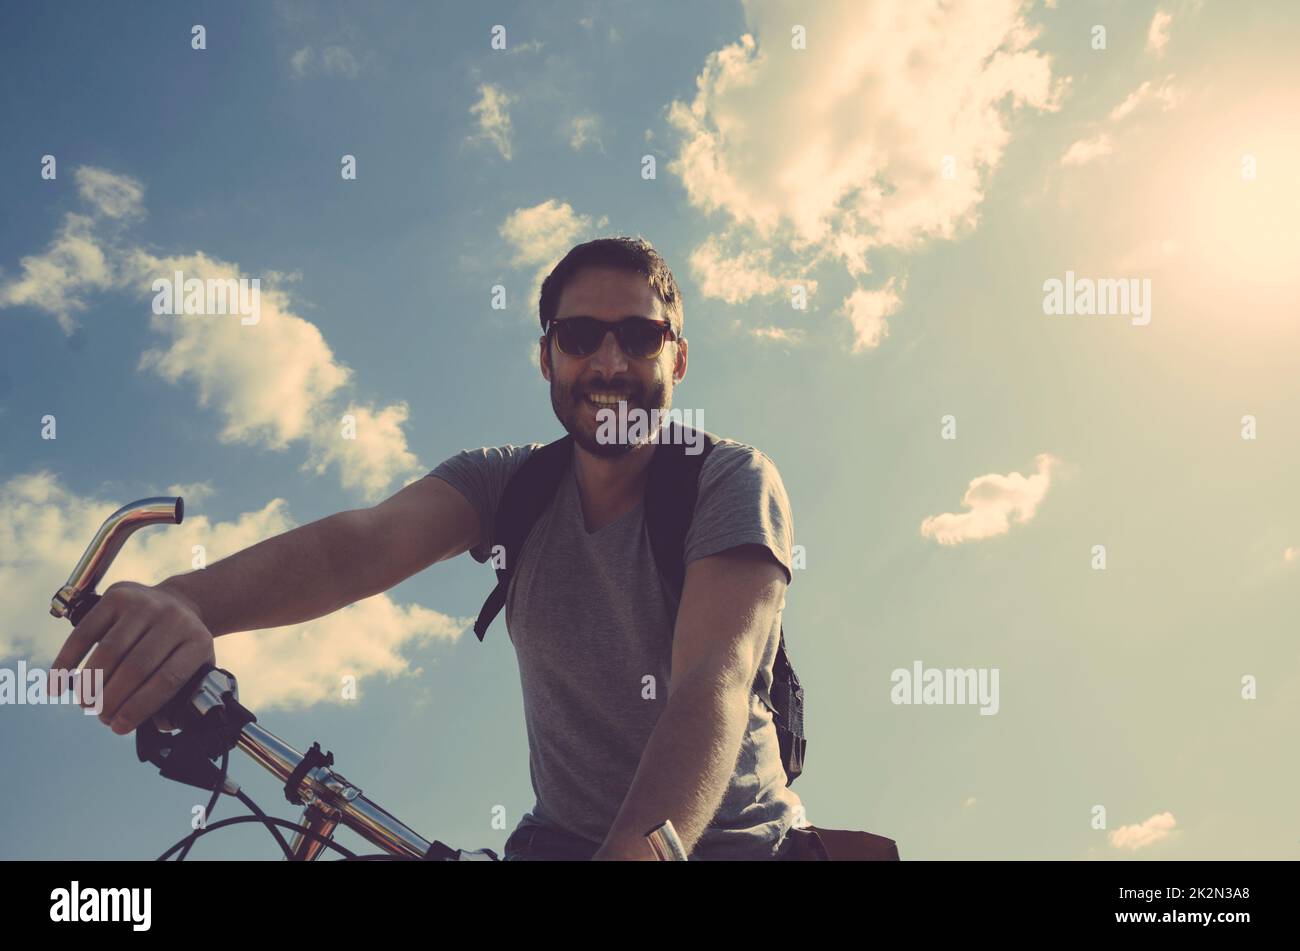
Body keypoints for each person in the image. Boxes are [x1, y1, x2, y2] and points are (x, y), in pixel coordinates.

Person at [50, 236, 804, 861]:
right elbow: (363, 543)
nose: (609, 363)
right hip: (560, 842)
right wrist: (189, 601)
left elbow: (713, 679)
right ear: (547, 357)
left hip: (735, 843)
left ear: (676, 359)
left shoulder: (728, 479)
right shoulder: (509, 484)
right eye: (580, 336)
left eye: (639, 337)